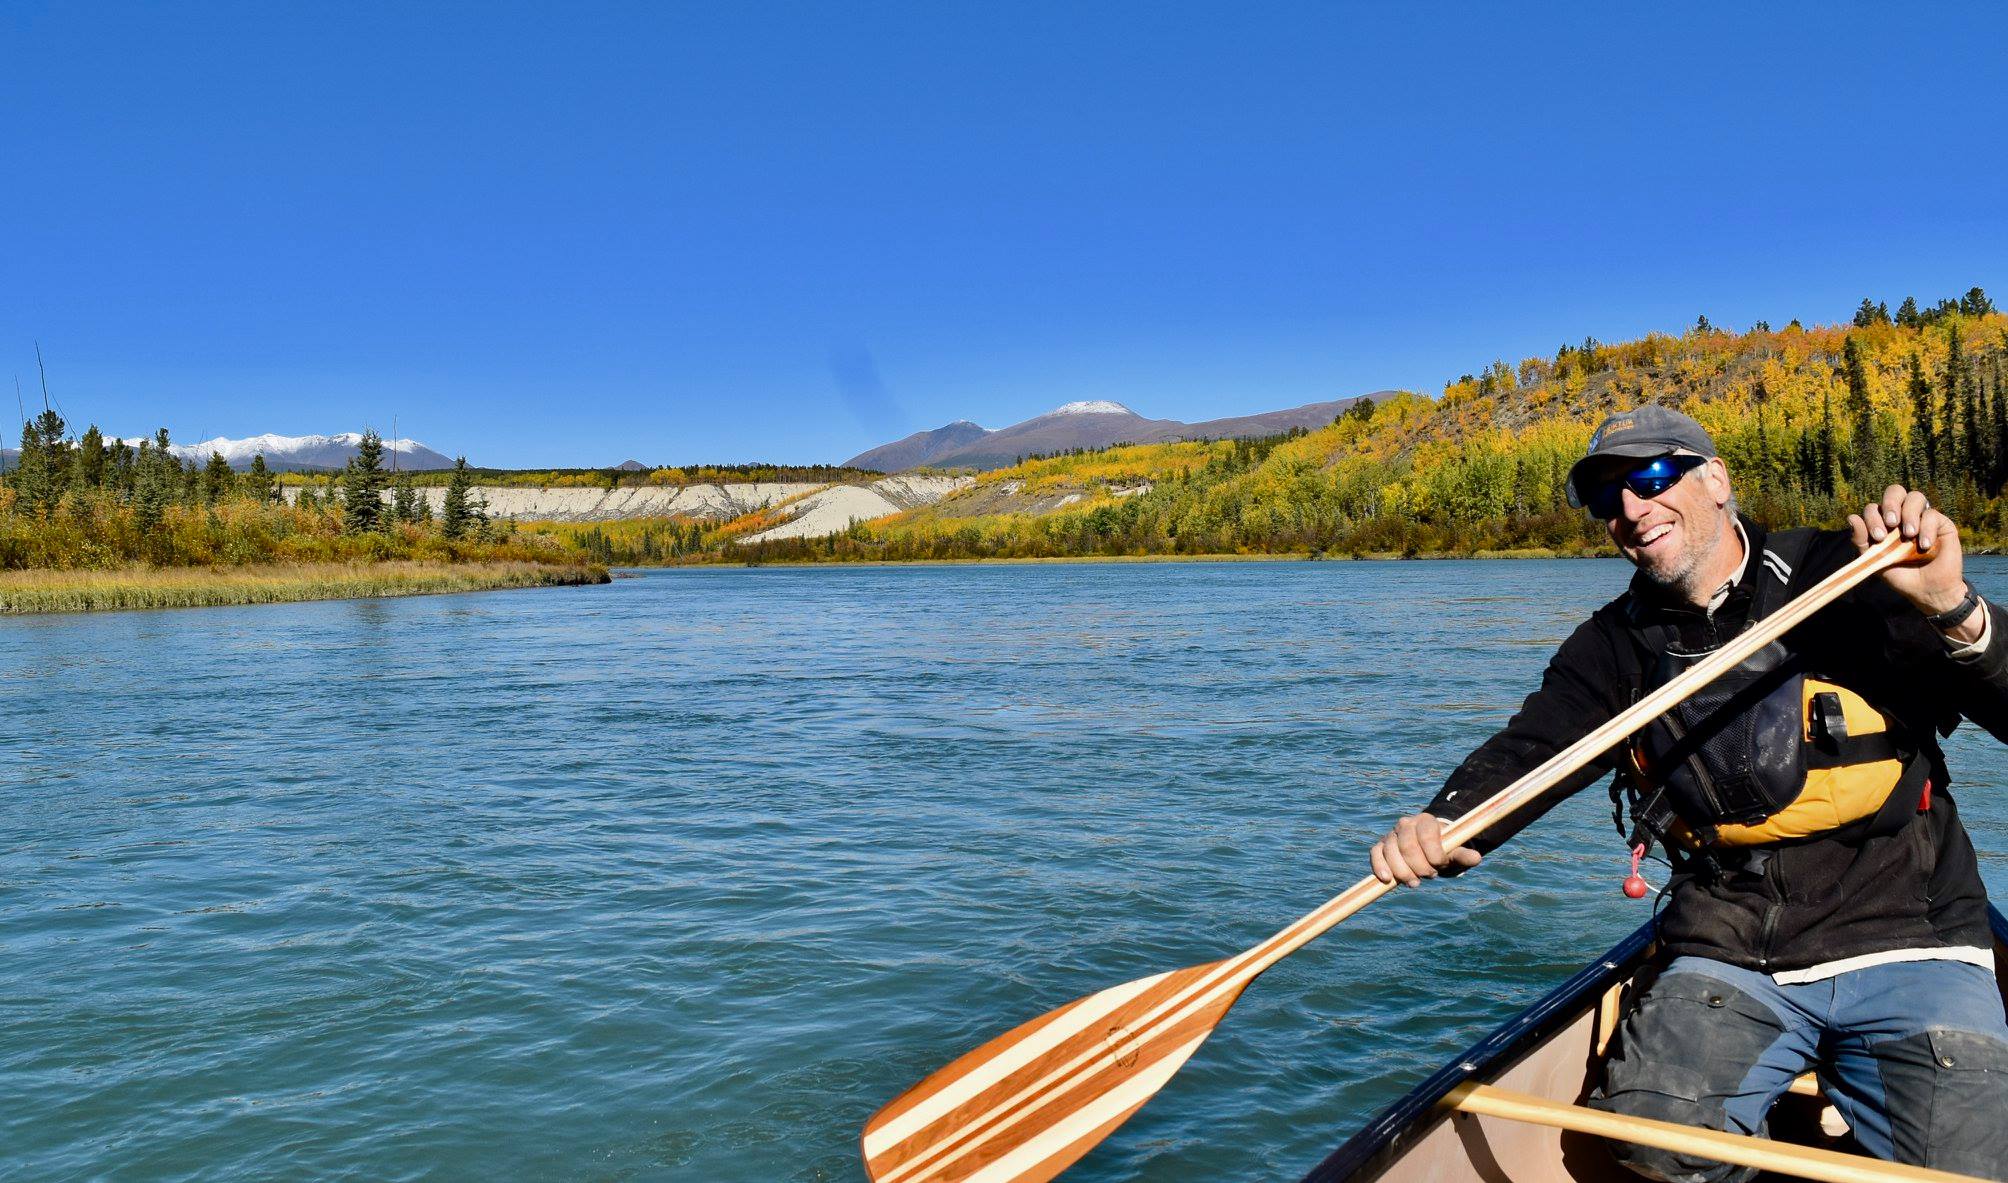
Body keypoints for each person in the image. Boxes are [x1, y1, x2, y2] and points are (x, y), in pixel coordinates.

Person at [1368, 404, 2008, 1181]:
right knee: (1654, 1137)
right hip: (1734, 945)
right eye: (1610, 498)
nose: (1632, 509)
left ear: (1717, 480)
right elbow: (1532, 751)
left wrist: (1951, 606)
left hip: (1913, 931)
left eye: (1651, 477)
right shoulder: (1610, 646)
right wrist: (1442, 821)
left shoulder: (1850, 574)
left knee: (1967, 1168)